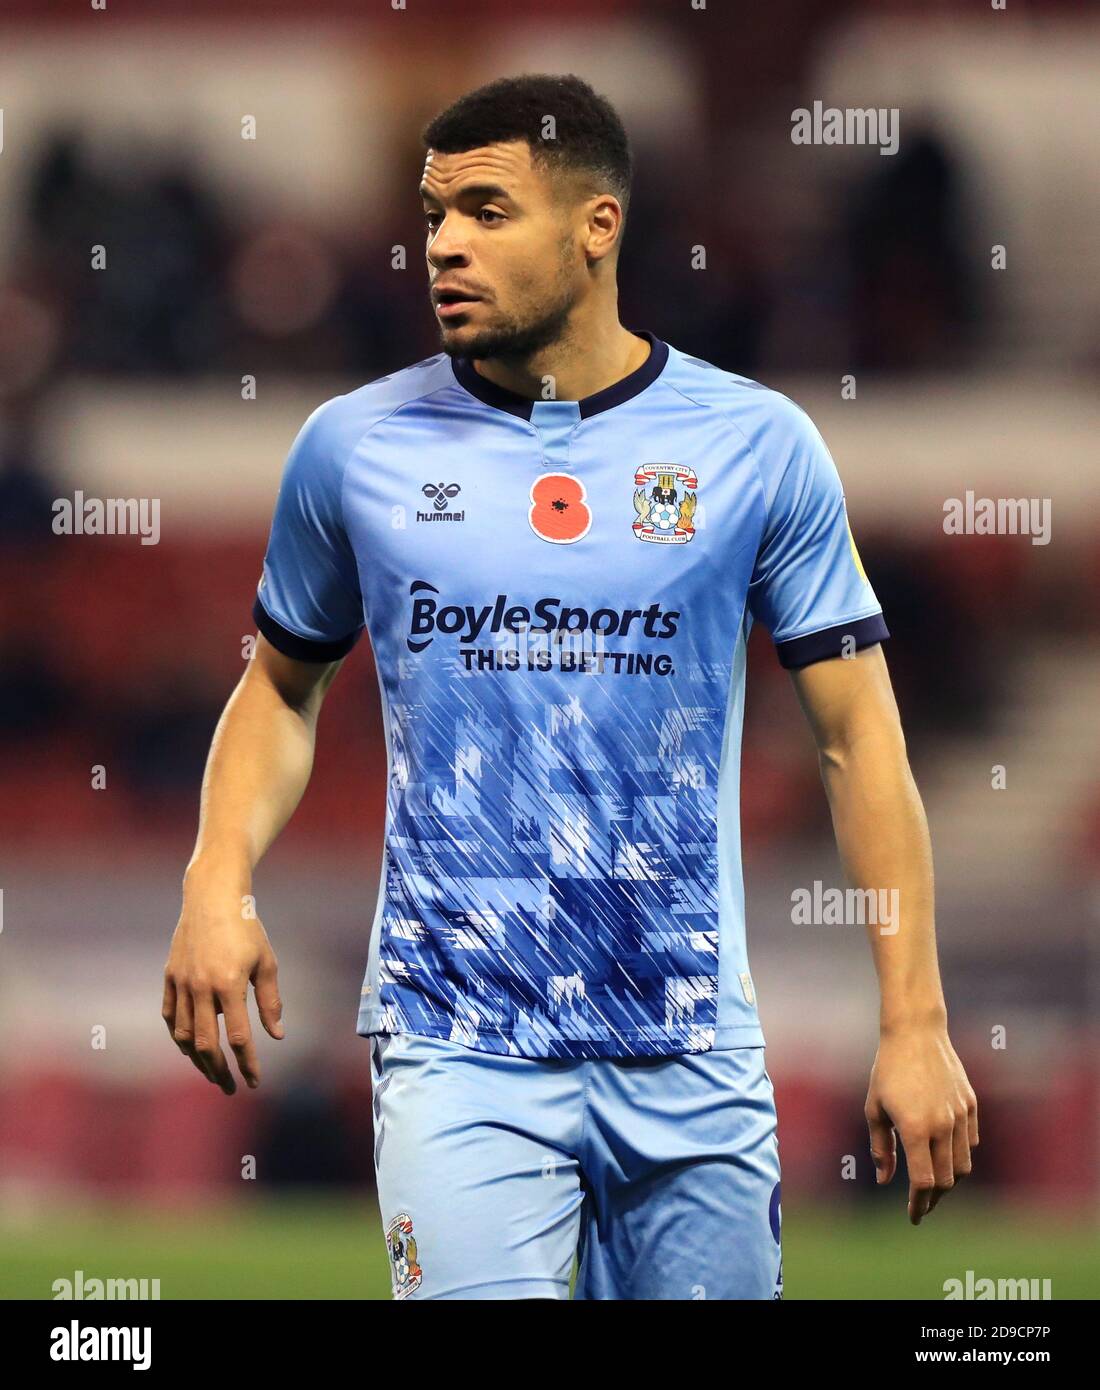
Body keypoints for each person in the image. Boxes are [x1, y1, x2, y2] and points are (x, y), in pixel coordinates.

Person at [163, 73, 978, 1301]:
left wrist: (912, 1020)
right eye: (433, 214)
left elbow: (859, 738)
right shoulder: (354, 449)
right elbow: (280, 690)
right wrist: (213, 881)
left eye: (486, 210)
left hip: (692, 1051)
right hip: (458, 1050)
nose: (443, 243)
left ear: (596, 226)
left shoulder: (755, 446)